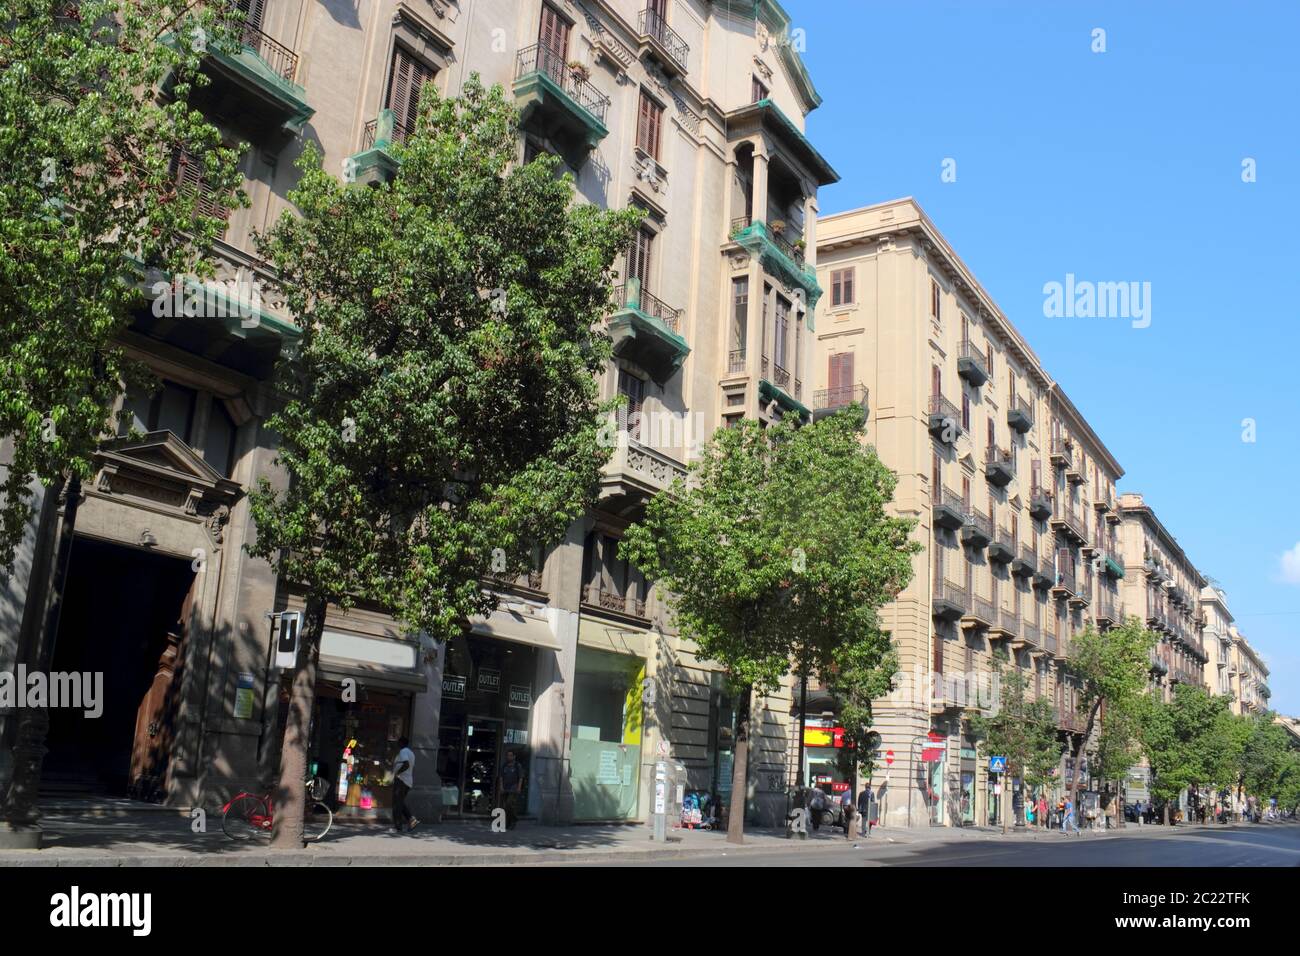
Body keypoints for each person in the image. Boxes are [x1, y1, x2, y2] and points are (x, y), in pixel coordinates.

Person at [391, 736, 417, 832]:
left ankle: (398, 826)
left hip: (401, 780)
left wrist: (398, 773)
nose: (397, 745)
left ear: (401, 743)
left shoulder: (403, 751)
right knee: (400, 802)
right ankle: (411, 820)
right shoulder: (411, 753)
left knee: (397, 804)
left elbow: (406, 764)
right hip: (407, 781)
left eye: (398, 743)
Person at [496, 749, 525, 830]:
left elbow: (520, 777)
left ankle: (513, 820)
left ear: (514, 756)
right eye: (507, 755)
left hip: (513, 788)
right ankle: (507, 822)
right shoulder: (504, 765)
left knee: (509, 804)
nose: (508, 757)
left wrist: (519, 787)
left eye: (510, 755)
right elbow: (501, 777)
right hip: (505, 788)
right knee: (506, 806)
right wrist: (501, 787)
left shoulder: (517, 765)